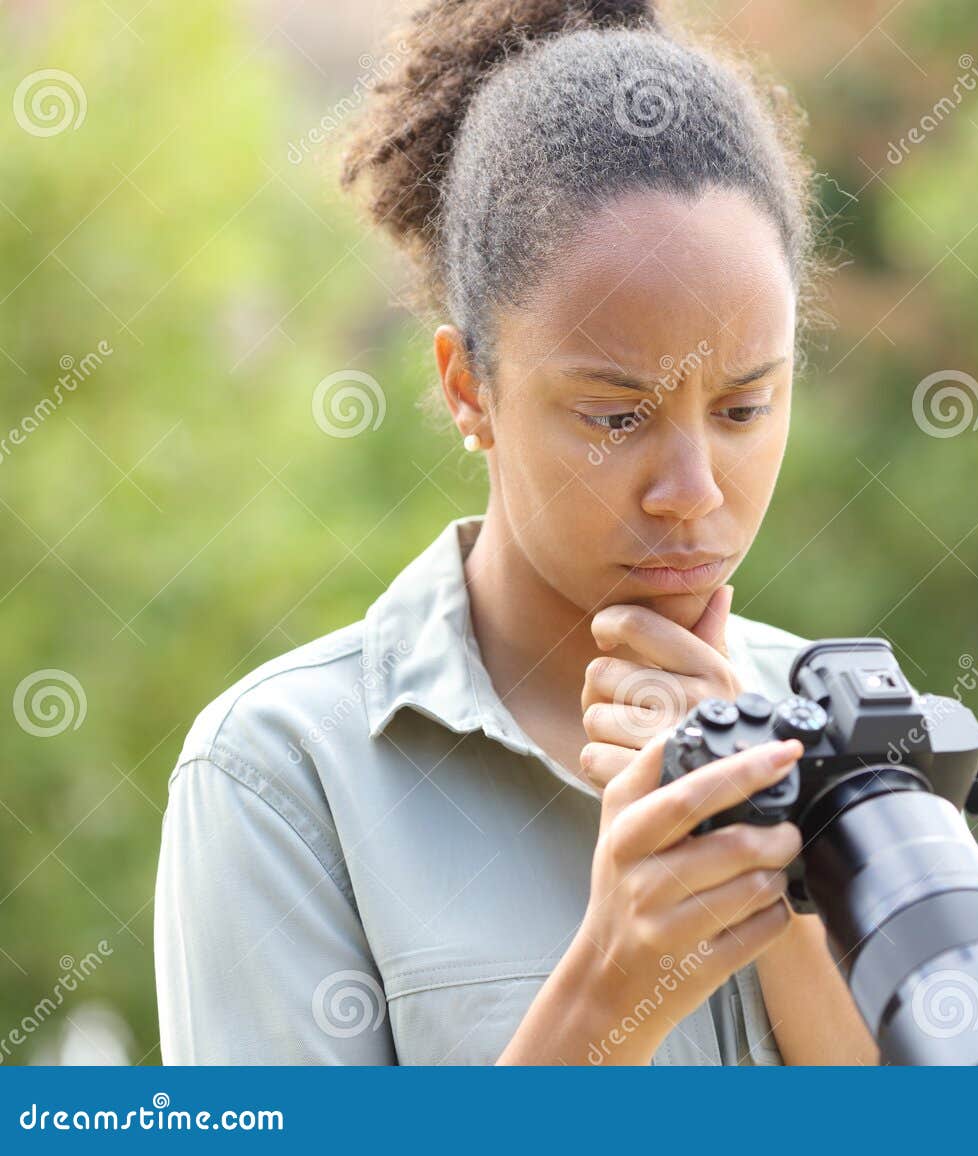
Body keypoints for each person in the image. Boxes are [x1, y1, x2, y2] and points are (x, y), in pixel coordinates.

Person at [153, 0, 877, 1066]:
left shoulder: (848, 727)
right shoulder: (280, 775)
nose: (691, 489)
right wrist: (608, 991)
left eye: (741, 409)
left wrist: (791, 859)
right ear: (468, 388)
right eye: (616, 415)